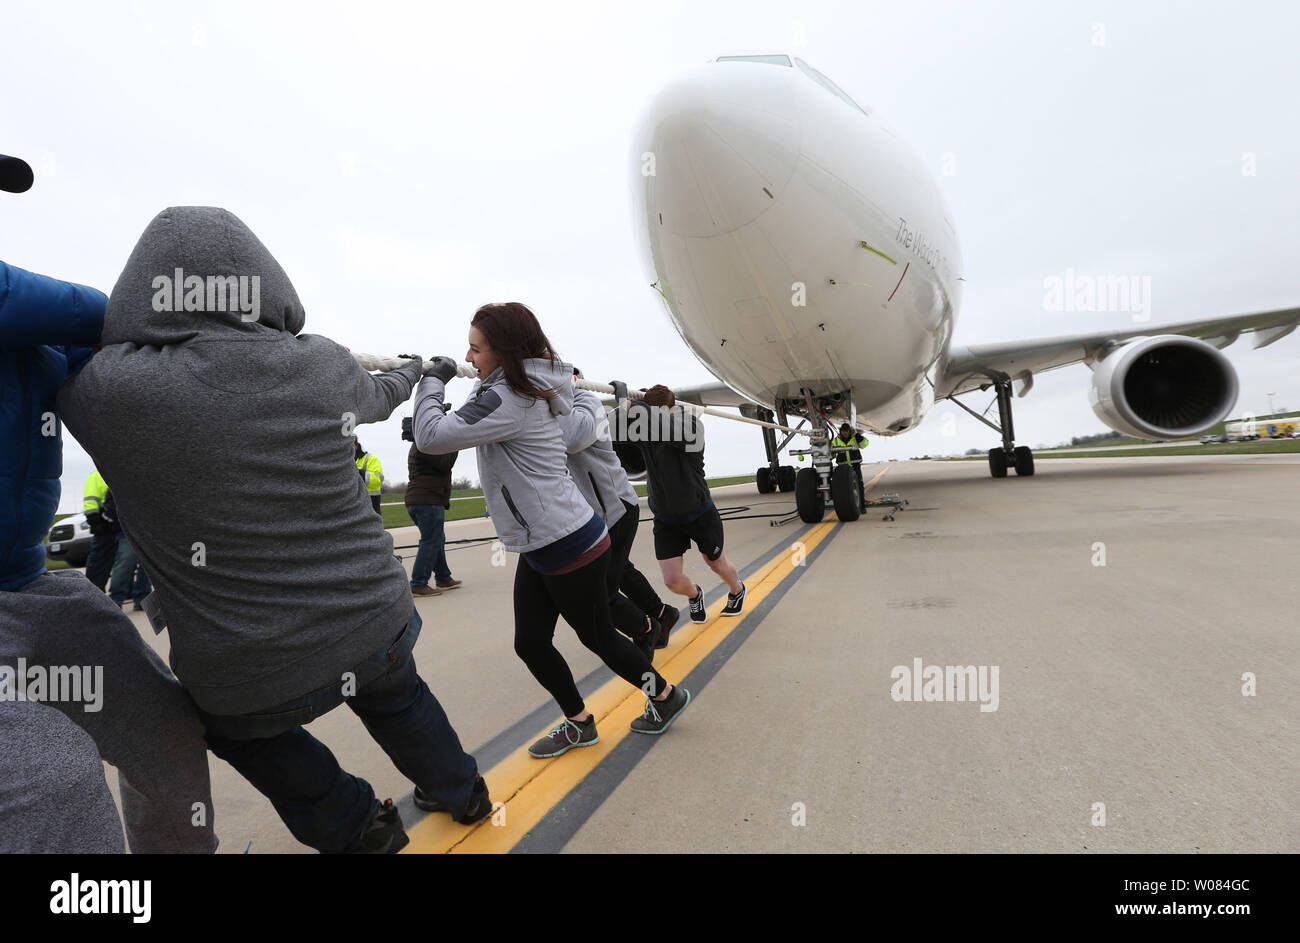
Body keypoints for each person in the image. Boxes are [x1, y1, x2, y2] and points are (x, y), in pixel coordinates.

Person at [59, 206, 488, 852]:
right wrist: (424, 372)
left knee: (234, 729)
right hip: (371, 617)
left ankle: (356, 823)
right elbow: (385, 390)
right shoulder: (318, 364)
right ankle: (465, 792)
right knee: (398, 698)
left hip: (243, 671)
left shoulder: (106, 390)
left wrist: (113, 327)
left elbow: (50, 355)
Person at [1, 156, 216, 853]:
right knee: (50, 783)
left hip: (25, 580)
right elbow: (88, 310)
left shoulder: (26, 338)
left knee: (165, 723)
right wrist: (137, 316)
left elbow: (88, 348)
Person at [412, 303, 691, 759]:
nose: (469, 354)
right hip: (545, 539)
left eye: (476, 348)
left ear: (503, 352)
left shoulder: (511, 398)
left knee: (597, 637)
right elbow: (469, 420)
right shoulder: (516, 387)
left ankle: (663, 696)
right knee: (531, 643)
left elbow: (431, 436)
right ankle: (579, 722)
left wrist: (432, 379)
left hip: (567, 542)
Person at [561, 368, 674, 656]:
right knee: (620, 570)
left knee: (601, 589)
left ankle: (645, 629)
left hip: (617, 508)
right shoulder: (561, 415)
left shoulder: (583, 412)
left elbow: (602, 428)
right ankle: (660, 613)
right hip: (602, 511)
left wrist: (623, 398)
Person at [615, 384, 745, 625]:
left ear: (669, 409)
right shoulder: (648, 429)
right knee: (672, 581)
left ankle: (737, 589)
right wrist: (622, 401)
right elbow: (611, 430)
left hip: (699, 513)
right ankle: (695, 594)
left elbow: (672, 432)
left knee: (716, 564)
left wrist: (643, 410)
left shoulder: (691, 425)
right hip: (666, 518)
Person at [404, 404, 461, 597]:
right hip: (427, 500)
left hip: (422, 499)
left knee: (437, 539)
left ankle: (443, 577)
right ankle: (418, 583)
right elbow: (445, 463)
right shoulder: (425, 444)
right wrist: (456, 443)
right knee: (431, 540)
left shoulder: (422, 442)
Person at [104, 490, 152, 610]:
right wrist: (119, 524)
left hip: (147, 532)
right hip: (125, 532)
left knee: (147, 567)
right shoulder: (116, 483)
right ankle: (116, 599)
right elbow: (110, 508)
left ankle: (143, 600)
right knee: (124, 564)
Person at [81, 467, 117, 591]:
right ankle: (94, 590)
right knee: (99, 561)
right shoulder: (97, 477)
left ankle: (97, 589)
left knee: (113, 561)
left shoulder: (104, 475)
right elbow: (90, 503)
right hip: (103, 526)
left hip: (113, 526)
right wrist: (95, 522)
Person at [832, 422, 869, 506]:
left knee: (859, 486)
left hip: (855, 466)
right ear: (840, 431)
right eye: (843, 431)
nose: (845, 433)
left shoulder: (855, 438)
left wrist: (857, 435)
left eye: (847, 431)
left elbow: (865, 444)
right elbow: (832, 454)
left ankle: (862, 506)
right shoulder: (836, 441)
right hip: (843, 468)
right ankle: (846, 507)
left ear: (850, 431)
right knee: (843, 488)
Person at [354, 439, 384, 513]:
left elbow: (377, 479)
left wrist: (356, 474)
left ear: (356, 445)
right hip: (353, 503)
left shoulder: (371, 458)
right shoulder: (346, 461)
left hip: (371, 501)